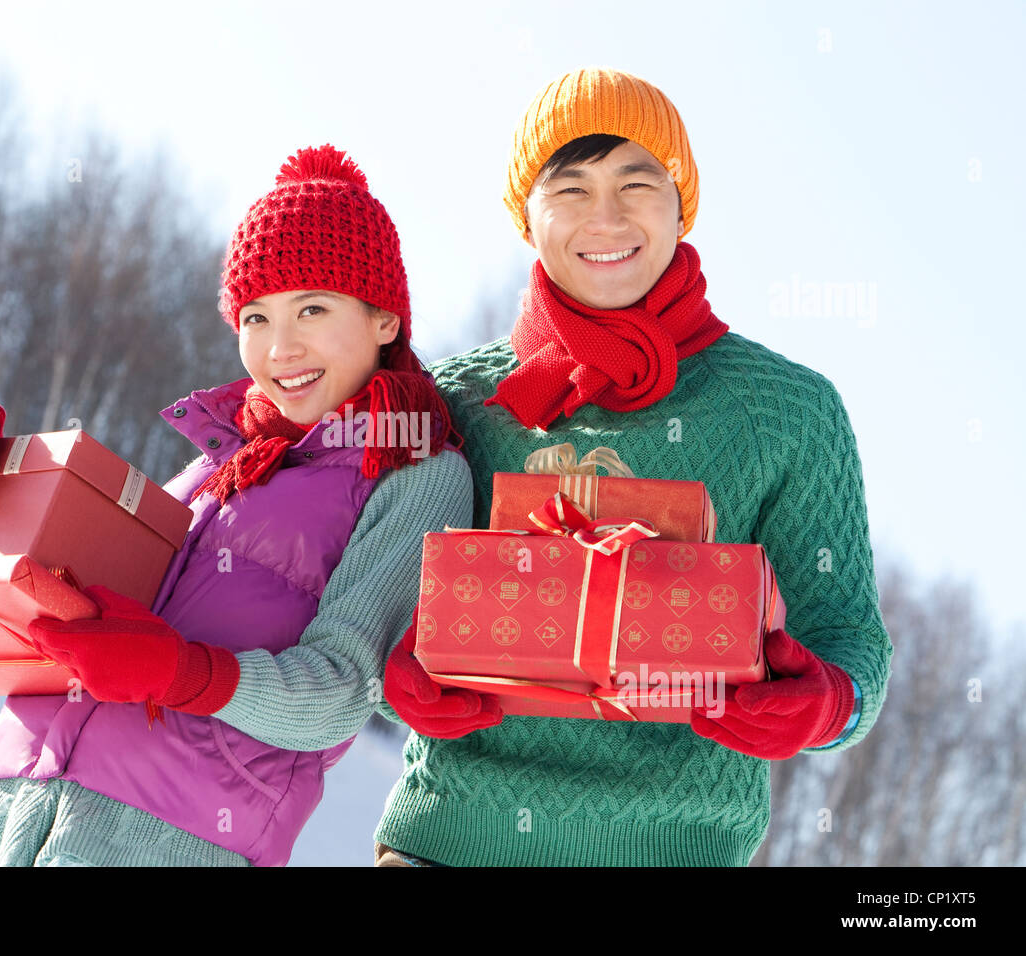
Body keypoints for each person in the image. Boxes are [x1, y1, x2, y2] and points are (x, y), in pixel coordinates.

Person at [374, 67, 893, 867]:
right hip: (449, 840)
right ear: (527, 217)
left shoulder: (790, 412)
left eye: (636, 181)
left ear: (682, 203)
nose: (605, 216)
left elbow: (849, 637)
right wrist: (392, 667)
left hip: (675, 848)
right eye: (570, 188)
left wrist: (825, 704)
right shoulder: (451, 401)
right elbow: (352, 612)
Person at [0, 145, 473, 866]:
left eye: (313, 308)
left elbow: (345, 691)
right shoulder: (222, 461)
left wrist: (183, 673)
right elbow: (79, 609)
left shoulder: (417, 471)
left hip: (172, 835)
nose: (281, 347)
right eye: (257, 318)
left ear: (385, 320)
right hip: (6, 804)